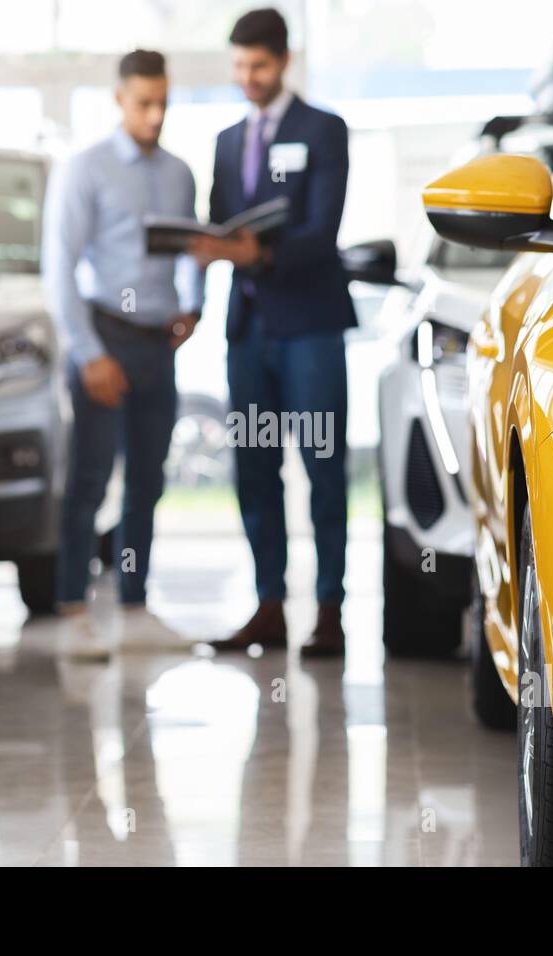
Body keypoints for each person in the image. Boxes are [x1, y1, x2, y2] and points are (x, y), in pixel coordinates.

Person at [191, 8, 354, 658]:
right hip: (248, 332)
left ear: (283, 60)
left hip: (309, 325)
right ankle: (268, 608)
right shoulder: (228, 141)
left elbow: (322, 231)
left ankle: (331, 611)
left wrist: (257, 254)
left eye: (257, 65)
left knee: (323, 470)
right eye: (239, 66)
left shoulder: (323, 129)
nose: (247, 77)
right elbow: (217, 223)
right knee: (255, 470)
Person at [42, 49, 203, 659]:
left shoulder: (180, 173)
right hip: (104, 340)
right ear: (119, 100)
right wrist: (88, 354)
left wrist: (193, 306)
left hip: (159, 344)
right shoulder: (85, 169)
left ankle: (134, 608)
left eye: (163, 103)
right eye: (143, 103)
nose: (155, 115)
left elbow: (191, 249)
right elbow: (59, 267)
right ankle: (73, 610)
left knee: (147, 482)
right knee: (88, 482)